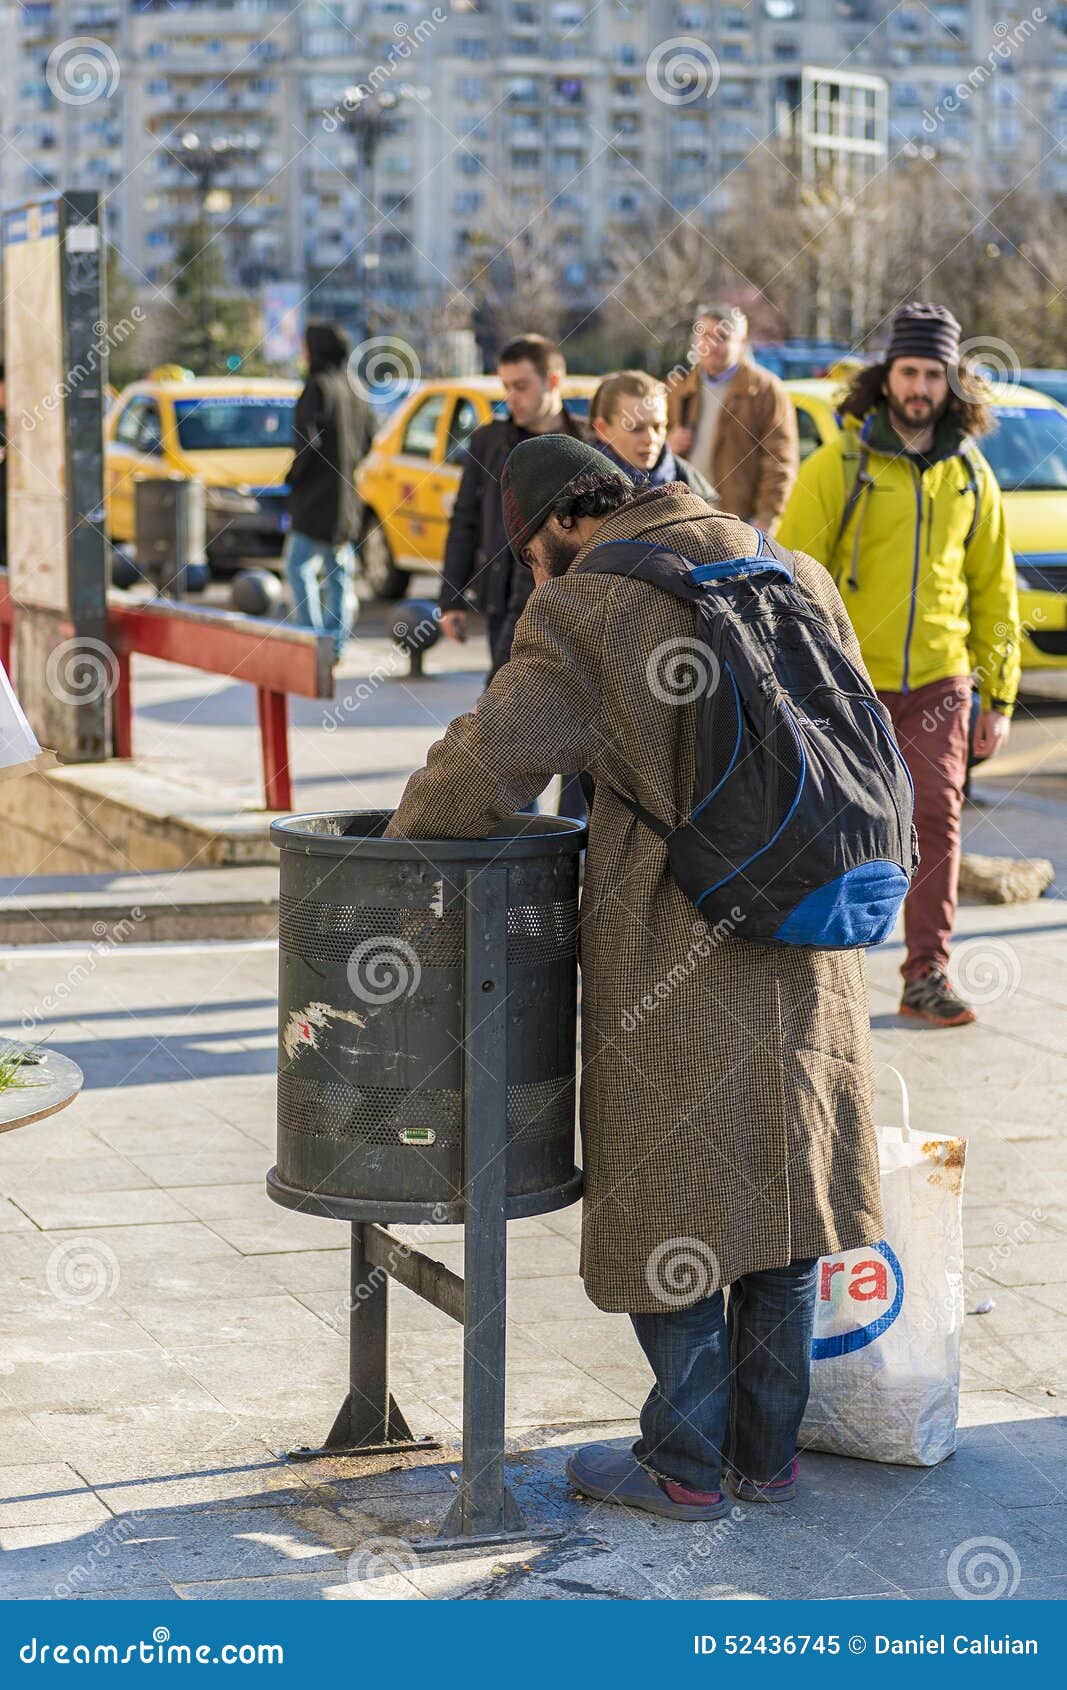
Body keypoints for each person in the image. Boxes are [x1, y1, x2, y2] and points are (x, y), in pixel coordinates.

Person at [383, 435, 883, 1522]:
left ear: (566, 522)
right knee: (785, 1195)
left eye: (531, 558)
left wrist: (395, 846)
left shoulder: (594, 604)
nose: (535, 581)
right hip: (811, 931)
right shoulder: (787, 565)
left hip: (675, 939)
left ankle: (682, 1463)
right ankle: (764, 1455)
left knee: (675, 1198)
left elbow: (489, 761)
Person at [778, 302, 1020, 1027]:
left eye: (933, 374)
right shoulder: (837, 465)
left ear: (953, 381)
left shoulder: (970, 474)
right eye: (909, 371)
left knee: (936, 818)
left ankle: (925, 976)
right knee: (841, 830)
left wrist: (999, 696)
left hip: (942, 679)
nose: (920, 387)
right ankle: (823, 976)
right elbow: (791, 577)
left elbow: (994, 588)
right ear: (886, 377)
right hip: (850, 682)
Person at [438, 332, 585, 680]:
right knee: (501, 691)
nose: (510, 398)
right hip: (500, 600)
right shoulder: (489, 442)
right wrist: (452, 598)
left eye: (521, 386)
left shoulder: (584, 444)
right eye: (505, 386)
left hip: (566, 601)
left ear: (552, 381)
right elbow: (465, 519)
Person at [284, 321, 375, 663]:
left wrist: (294, 476)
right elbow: (369, 438)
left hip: (315, 499)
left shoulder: (318, 386)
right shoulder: (354, 389)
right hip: (346, 495)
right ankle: (335, 643)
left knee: (297, 566)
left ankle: (312, 640)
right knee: (338, 571)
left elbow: (307, 443)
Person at [666, 304, 798, 534]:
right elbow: (651, 448)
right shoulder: (679, 387)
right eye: (705, 335)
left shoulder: (765, 390)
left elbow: (780, 461)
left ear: (742, 342)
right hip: (685, 518)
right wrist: (668, 444)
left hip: (739, 523)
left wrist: (766, 519)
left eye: (722, 337)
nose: (711, 345)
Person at [588, 369, 715, 498]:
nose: (651, 439)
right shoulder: (581, 492)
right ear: (603, 430)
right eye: (636, 428)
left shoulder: (696, 488)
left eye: (658, 427)